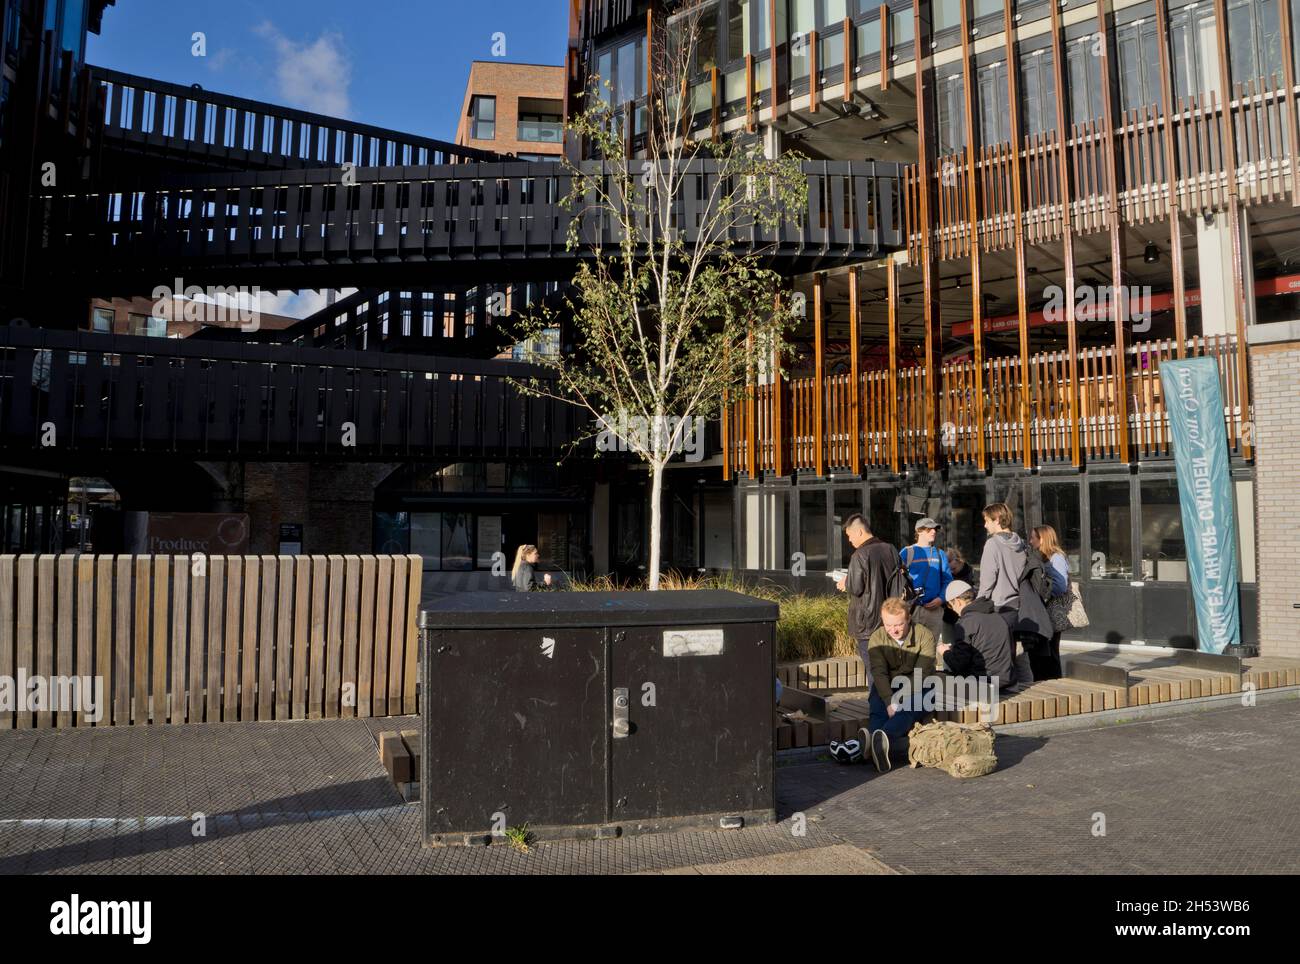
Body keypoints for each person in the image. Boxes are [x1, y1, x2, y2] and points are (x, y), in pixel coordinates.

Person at [863, 597, 936, 773]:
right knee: (877, 705)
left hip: (921, 686)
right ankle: (876, 743)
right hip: (888, 685)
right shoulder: (877, 637)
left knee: (909, 708)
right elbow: (878, 672)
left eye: (898, 625)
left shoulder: (924, 635)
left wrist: (898, 699)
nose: (893, 630)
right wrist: (889, 700)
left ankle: (878, 740)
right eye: (888, 625)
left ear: (908, 619)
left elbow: (922, 673)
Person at [836, 514, 898, 671]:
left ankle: (879, 696)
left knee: (874, 671)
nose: (849, 541)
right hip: (892, 620)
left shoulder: (859, 555)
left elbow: (856, 588)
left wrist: (846, 582)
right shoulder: (890, 549)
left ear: (860, 532)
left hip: (868, 624)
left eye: (849, 536)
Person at [937, 580, 1016, 692]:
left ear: (958, 601)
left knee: (932, 682)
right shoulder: (998, 617)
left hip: (982, 684)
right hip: (1008, 681)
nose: (952, 609)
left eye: (950, 605)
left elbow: (959, 665)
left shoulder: (965, 623)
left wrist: (945, 652)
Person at [901, 517, 952, 643]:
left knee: (931, 649)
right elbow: (898, 579)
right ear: (919, 531)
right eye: (929, 529)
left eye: (935, 529)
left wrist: (941, 599)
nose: (934, 532)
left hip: (935, 610)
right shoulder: (907, 552)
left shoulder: (940, 554)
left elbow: (948, 580)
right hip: (913, 609)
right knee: (911, 648)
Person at [1030, 525, 1070, 680]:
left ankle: (1054, 682)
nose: (1030, 540)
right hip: (1043, 611)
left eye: (1033, 537)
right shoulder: (1042, 556)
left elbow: (1060, 586)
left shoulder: (1056, 557)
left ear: (1042, 539)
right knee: (1043, 651)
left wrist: (1043, 592)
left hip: (1051, 611)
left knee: (1051, 650)